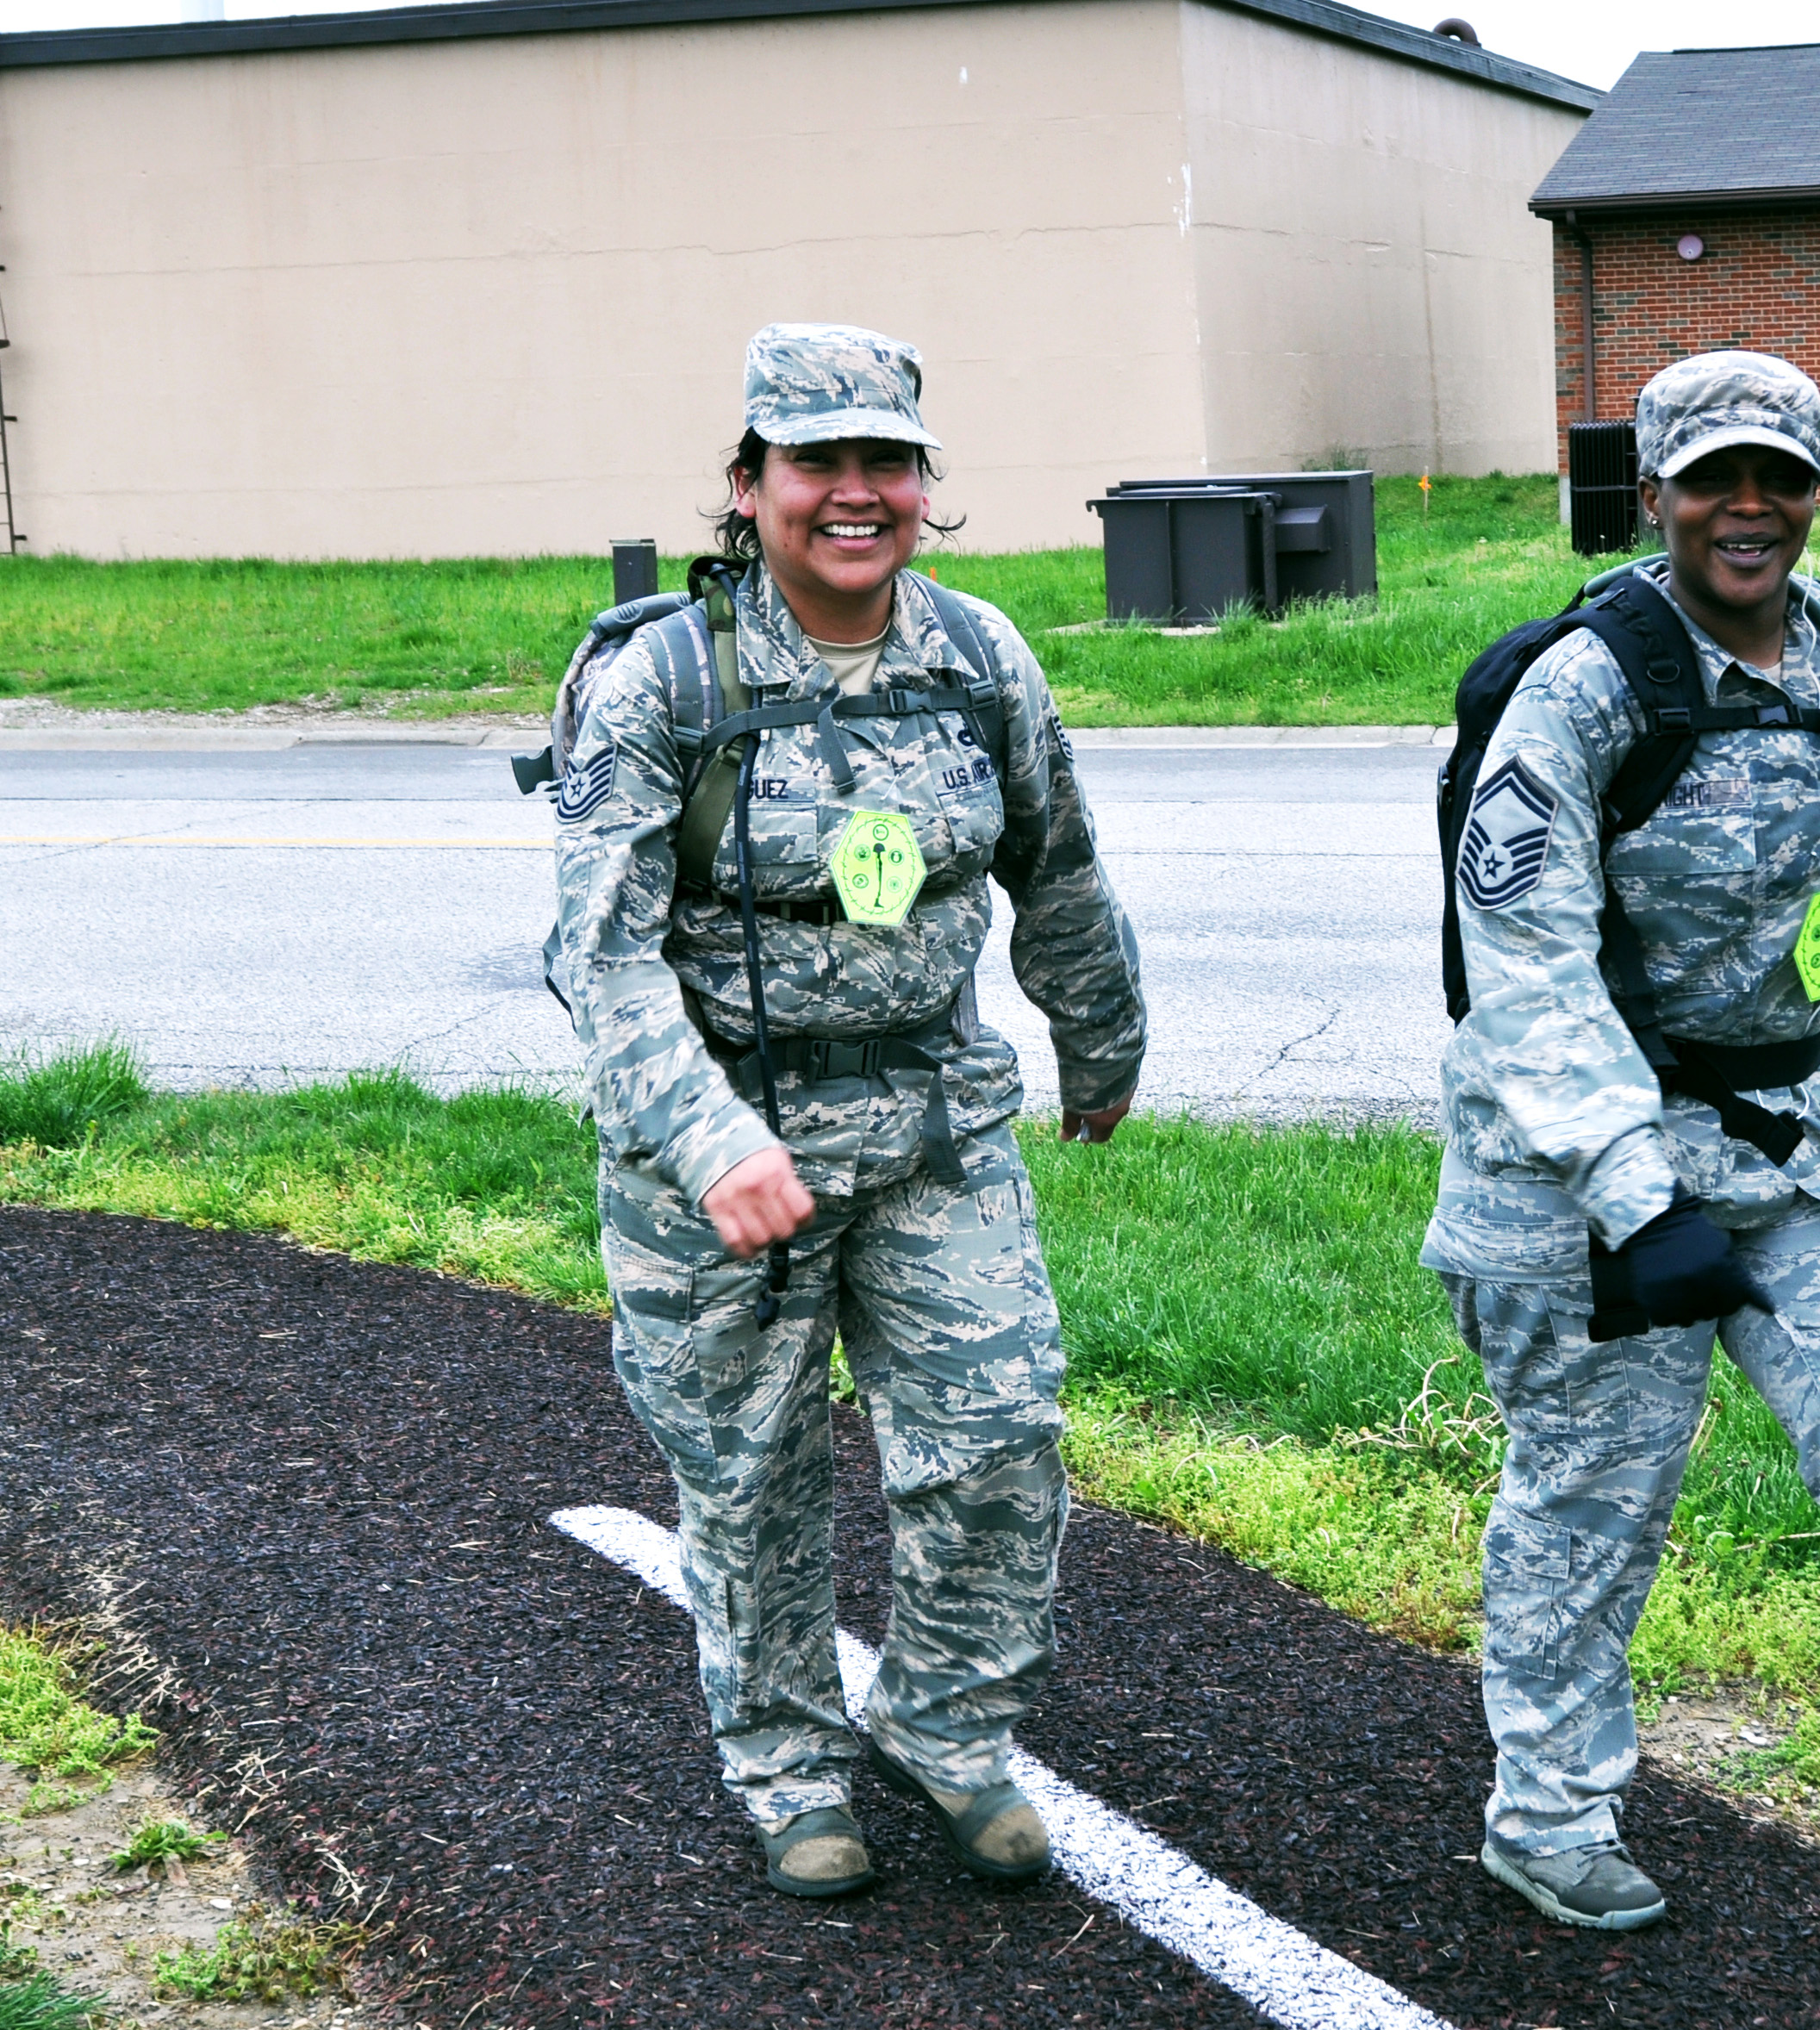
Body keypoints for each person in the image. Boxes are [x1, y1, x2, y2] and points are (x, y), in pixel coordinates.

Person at [1423, 352, 1820, 1979]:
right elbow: (1524, 962)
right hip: (1592, 1166)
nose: (1750, 508)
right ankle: (1551, 1821)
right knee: (1592, 1503)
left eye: (1779, 476)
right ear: (1654, 493)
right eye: (1715, 477)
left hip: (1817, 1133)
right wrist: (1635, 1200)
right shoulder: (1580, 689)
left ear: (1815, 487)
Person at [550, 324, 1145, 1899]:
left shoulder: (978, 656)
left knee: (1000, 1444)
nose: (856, 494)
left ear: (925, 484)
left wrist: (1102, 1036)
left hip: (934, 1126)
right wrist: (708, 1134)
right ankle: (789, 1764)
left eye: (887, 460)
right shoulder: (658, 683)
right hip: (722, 1165)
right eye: (817, 463)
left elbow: (1058, 861)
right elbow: (597, 958)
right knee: (753, 1486)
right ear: (750, 487)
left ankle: (948, 1728)